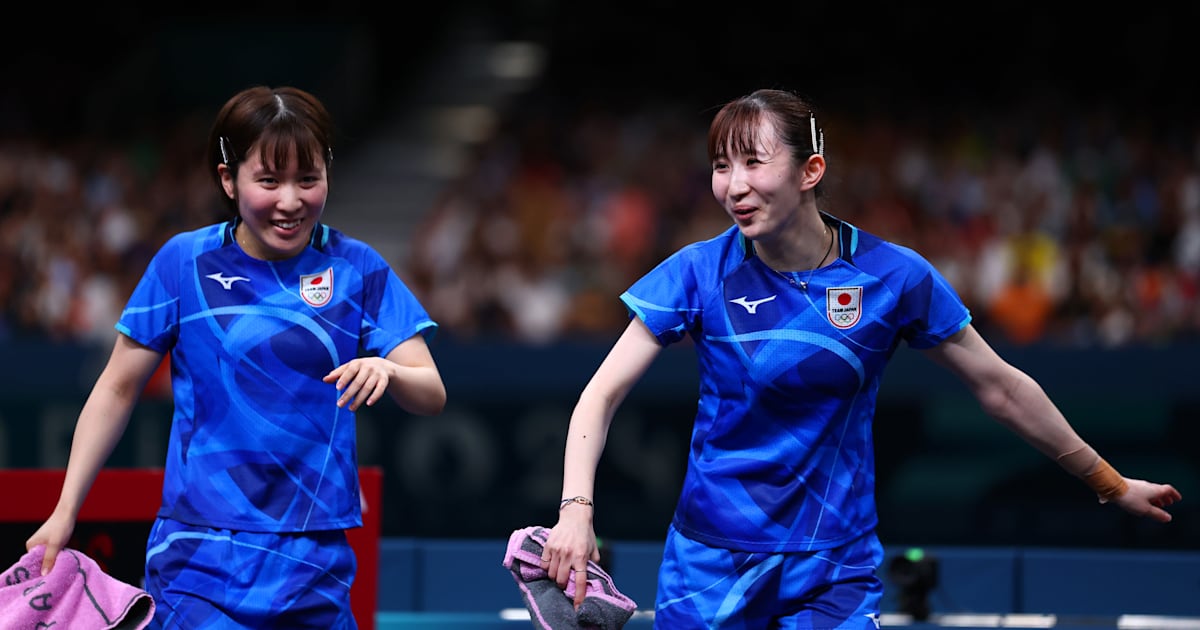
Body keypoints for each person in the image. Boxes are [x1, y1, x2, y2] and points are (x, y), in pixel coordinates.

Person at [539, 88, 1182, 628]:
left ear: (809, 171)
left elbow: (1002, 389)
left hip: (834, 564)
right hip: (710, 559)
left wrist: (1111, 484)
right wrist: (576, 513)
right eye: (719, 166)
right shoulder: (697, 272)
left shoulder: (893, 277)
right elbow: (600, 394)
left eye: (753, 164)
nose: (733, 187)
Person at [25, 85, 447, 628]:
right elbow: (116, 388)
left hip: (312, 557)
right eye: (269, 181)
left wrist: (389, 368)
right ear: (229, 179)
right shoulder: (184, 262)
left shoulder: (357, 269)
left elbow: (430, 392)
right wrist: (65, 512)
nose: (291, 201)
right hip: (198, 556)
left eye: (308, 179)